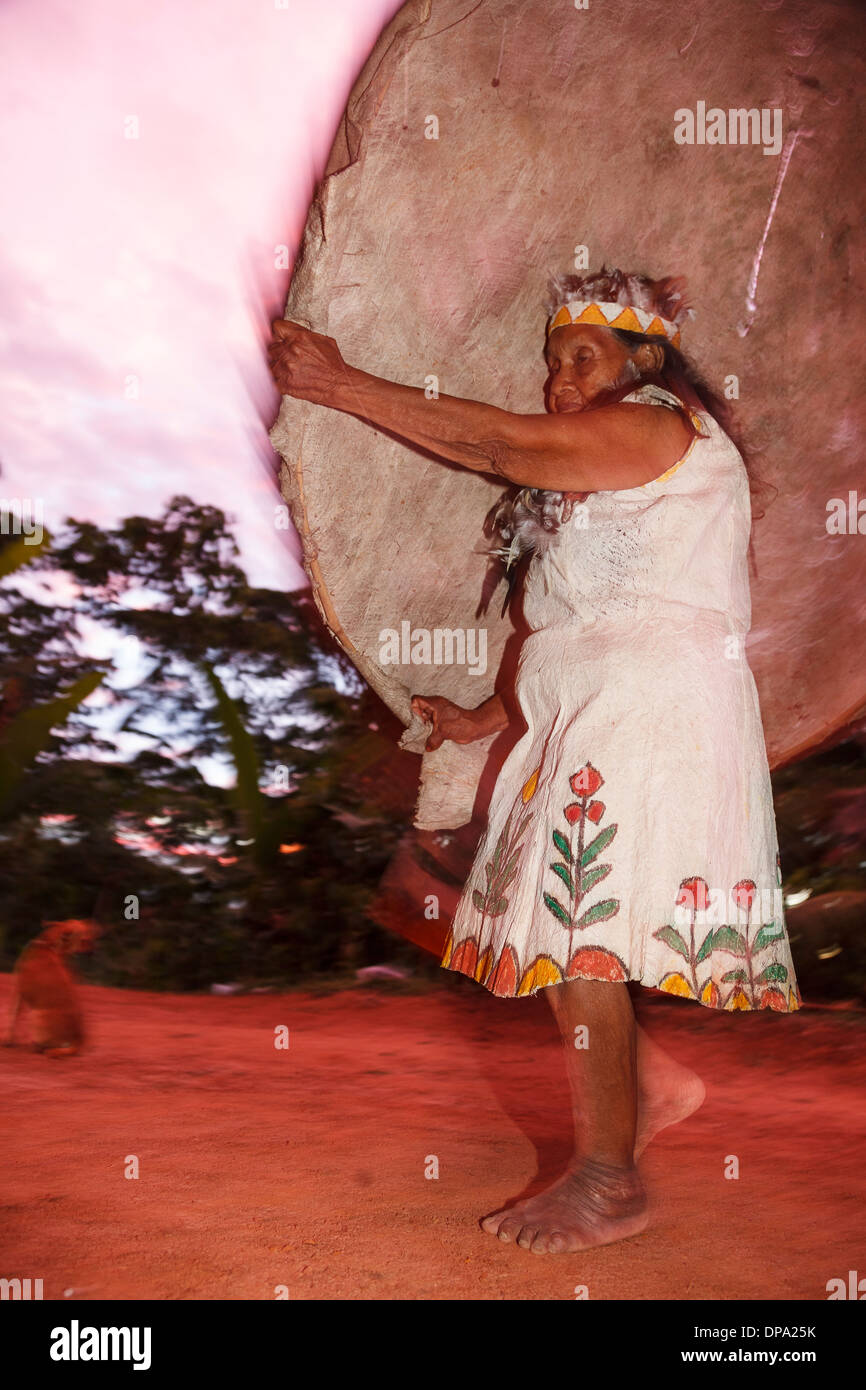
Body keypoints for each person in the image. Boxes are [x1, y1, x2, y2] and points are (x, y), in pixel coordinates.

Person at [268, 265, 801, 1256]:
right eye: (552, 361)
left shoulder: (658, 428)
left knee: (575, 920)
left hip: (645, 706)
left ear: (641, 361)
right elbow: (572, 620)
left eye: (580, 358)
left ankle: (607, 1181)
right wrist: (484, 716)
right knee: (548, 916)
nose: (558, 379)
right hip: (588, 704)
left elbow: (498, 442)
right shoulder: (593, 484)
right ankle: (648, 1087)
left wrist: (341, 386)